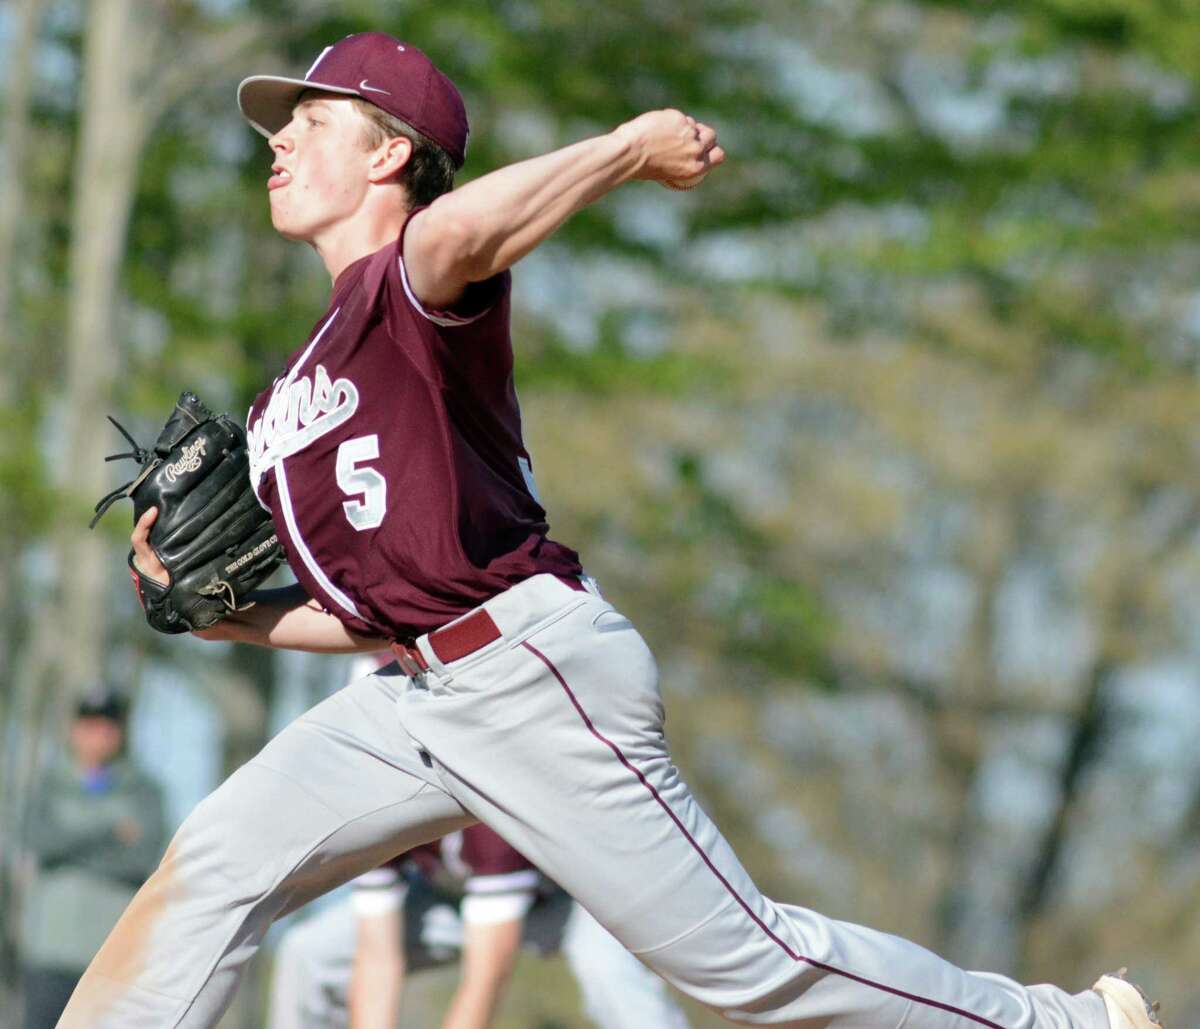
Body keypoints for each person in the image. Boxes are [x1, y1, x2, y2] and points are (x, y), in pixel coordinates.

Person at [60, 31, 1159, 1029]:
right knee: (212, 865)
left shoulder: (417, 281)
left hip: (533, 678)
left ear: (390, 156)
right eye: (280, 127)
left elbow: (463, 228)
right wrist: (225, 623)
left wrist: (627, 147)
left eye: (311, 121)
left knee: (745, 963)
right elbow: (372, 615)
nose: (281, 141)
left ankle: (1064, 1025)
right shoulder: (287, 393)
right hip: (411, 692)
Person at [267, 824, 691, 1029]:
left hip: (569, 900)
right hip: (448, 898)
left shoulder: (491, 813)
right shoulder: (370, 804)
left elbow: (485, 978)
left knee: (620, 988)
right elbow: (377, 959)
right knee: (309, 952)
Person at [19, 688, 166, 1029]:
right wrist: (109, 831)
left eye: (108, 726)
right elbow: (40, 842)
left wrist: (69, 848)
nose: (99, 735)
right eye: (90, 724)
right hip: (49, 952)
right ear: (74, 729)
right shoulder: (49, 784)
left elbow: (141, 859)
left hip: (108, 958)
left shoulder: (144, 792)